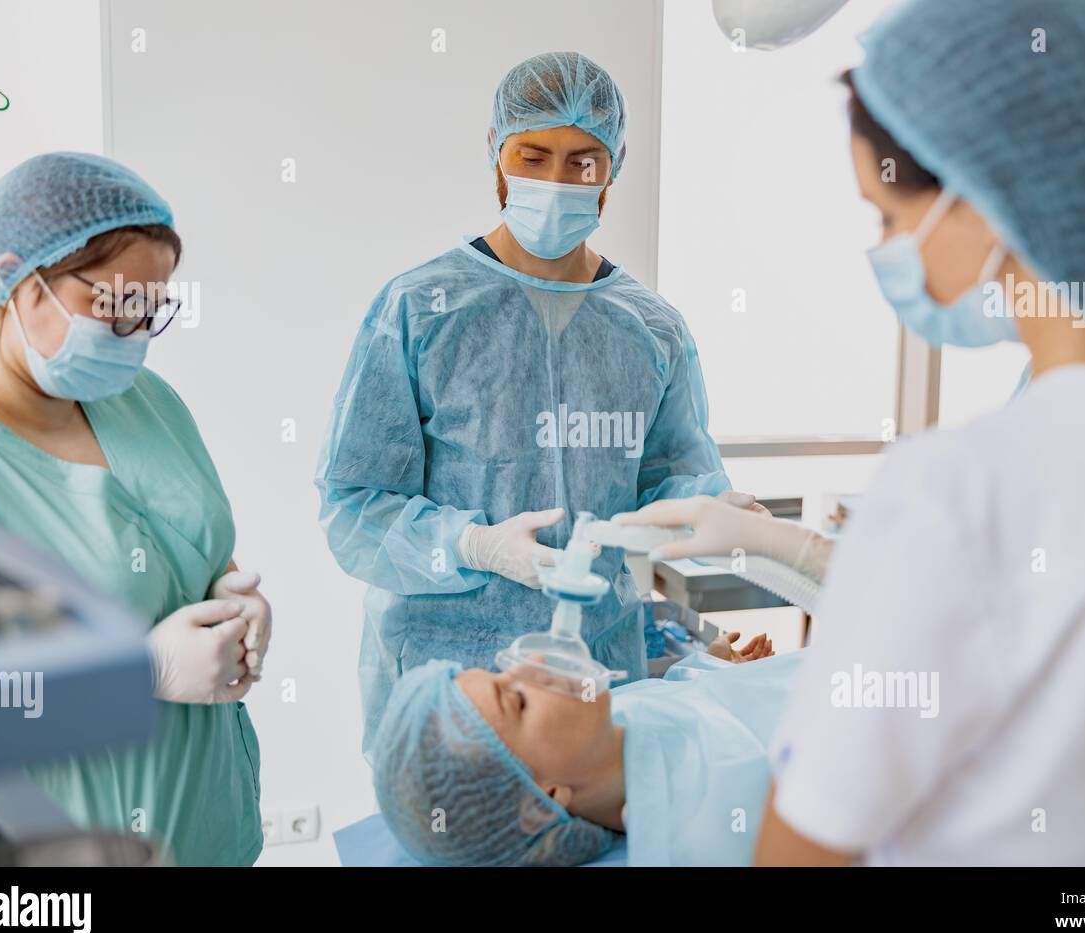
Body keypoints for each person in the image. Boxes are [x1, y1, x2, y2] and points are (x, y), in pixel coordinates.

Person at [617, 0, 1085, 866]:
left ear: (985, 194)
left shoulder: (962, 487)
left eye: (886, 215)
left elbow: (804, 852)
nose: (888, 251)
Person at [316, 52, 756, 752]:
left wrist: (720, 512)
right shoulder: (420, 309)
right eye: (534, 154)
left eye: (583, 160)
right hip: (447, 685)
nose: (558, 180)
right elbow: (354, 507)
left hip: (599, 679)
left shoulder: (652, 328)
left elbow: (671, 486)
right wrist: (473, 545)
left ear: (613, 167)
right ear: (496, 154)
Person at [0, 152, 272, 866]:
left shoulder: (146, 403)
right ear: (18, 275)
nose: (133, 332)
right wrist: (140, 674)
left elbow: (189, 544)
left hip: (210, 823)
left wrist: (232, 598)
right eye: (113, 304)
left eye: (152, 310)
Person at [372, 633, 778, 866]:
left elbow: (669, 702)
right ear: (541, 802)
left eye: (501, 672)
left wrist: (714, 667)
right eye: (518, 700)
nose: (532, 661)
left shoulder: (610, 724)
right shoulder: (709, 831)